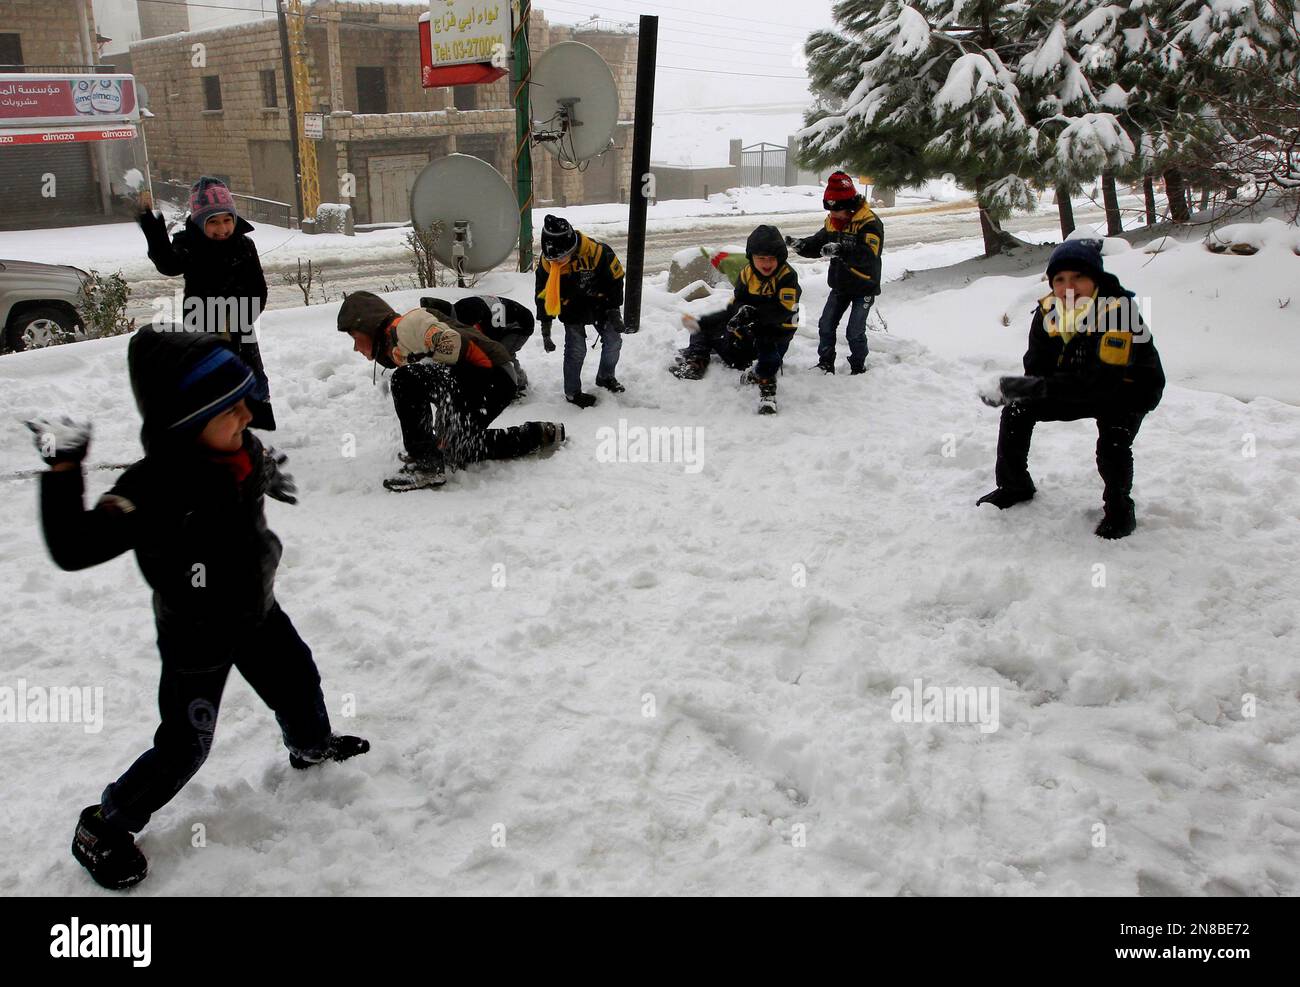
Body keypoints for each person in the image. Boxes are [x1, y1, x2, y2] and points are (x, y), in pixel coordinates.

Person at [27, 327, 368, 890]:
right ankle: (105, 824)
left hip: (255, 608)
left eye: (243, 402)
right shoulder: (151, 488)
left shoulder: (239, 449)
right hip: (196, 633)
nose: (246, 416)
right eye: (229, 409)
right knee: (187, 744)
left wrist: (265, 473)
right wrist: (63, 469)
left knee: (297, 680)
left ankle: (311, 746)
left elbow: (246, 466)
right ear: (184, 422)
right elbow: (74, 547)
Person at [977, 239, 1165, 538]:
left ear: (1096, 279)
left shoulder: (1119, 312)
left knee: (1113, 440)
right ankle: (1014, 486)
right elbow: (1036, 370)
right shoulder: (1048, 312)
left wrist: (1022, 385)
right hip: (1080, 386)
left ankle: (1120, 510)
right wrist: (1021, 389)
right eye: (1060, 279)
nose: (1069, 286)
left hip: (1129, 390)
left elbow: (1102, 382)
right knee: (1017, 410)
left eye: (1079, 277)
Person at [337, 290, 565, 491]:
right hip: (491, 378)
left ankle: (426, 465)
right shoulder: (395, 343)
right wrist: (446, 422)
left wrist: (447, 408)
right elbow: (440, 380)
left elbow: (452, 343)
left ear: (367, 326)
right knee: (456, 448)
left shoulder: (407, 325)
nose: (355, 347)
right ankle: (540, 434)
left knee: (404, 379)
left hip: (492, 375)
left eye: (355, 338)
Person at [137, 177, 276, 429]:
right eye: (213, 222)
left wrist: (244, 315)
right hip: (201, 324)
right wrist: (153, 231)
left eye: (226, 220)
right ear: (200, 222)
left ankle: (254, 425)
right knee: (210, 376)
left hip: (239, 323)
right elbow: (169, 265)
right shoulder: (188, 244)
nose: (222, 228)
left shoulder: (244, 244)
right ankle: (215, 426)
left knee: (249, 373)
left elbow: (258, 286)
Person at [672, 225, 801, 414]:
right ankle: (696, 361)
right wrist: (707, 322)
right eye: (761, 258)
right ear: (751, 258)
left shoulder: (787, 277)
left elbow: (784, 310)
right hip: (744, 337)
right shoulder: (747, 274)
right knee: (705, 327)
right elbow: (734, 306)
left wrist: (753, 314)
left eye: (772, 258)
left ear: (780, 258)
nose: (767, 263)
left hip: (771, 339)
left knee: (767, 352)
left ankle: (766, 390)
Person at [787, 172, 884, 375]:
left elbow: (869, 256)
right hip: (840, 285)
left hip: (864, 285)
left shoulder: (869, 223)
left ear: (849, 206)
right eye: (829, 210)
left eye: (837, 210)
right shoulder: (832, 221)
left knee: (854, 332)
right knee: (826, 325)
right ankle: (825, 363)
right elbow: (818, 243)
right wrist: (801, 245)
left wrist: (841, 250)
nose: (833, 215)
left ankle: (858, 366)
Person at [534, 214, 630, 407]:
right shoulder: (548, 265)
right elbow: (543, 295)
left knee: (613, 341)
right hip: (571, 308)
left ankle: (605, 377)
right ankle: (572, 392)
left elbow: (615, 279)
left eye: (561, 257)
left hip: (601, 304)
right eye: (553, 259)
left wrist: (613, 309)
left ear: (572, 246)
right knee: (576, 349)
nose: (558, 262)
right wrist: (546, 327)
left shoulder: (598, 253)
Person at [421, 293, 535, 399]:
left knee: (503, 354)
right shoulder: (460, 307)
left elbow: (487, 342)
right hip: (504, 320)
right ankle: (503, 380)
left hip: (522, 324)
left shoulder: (467, 316)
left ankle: (519, 385)